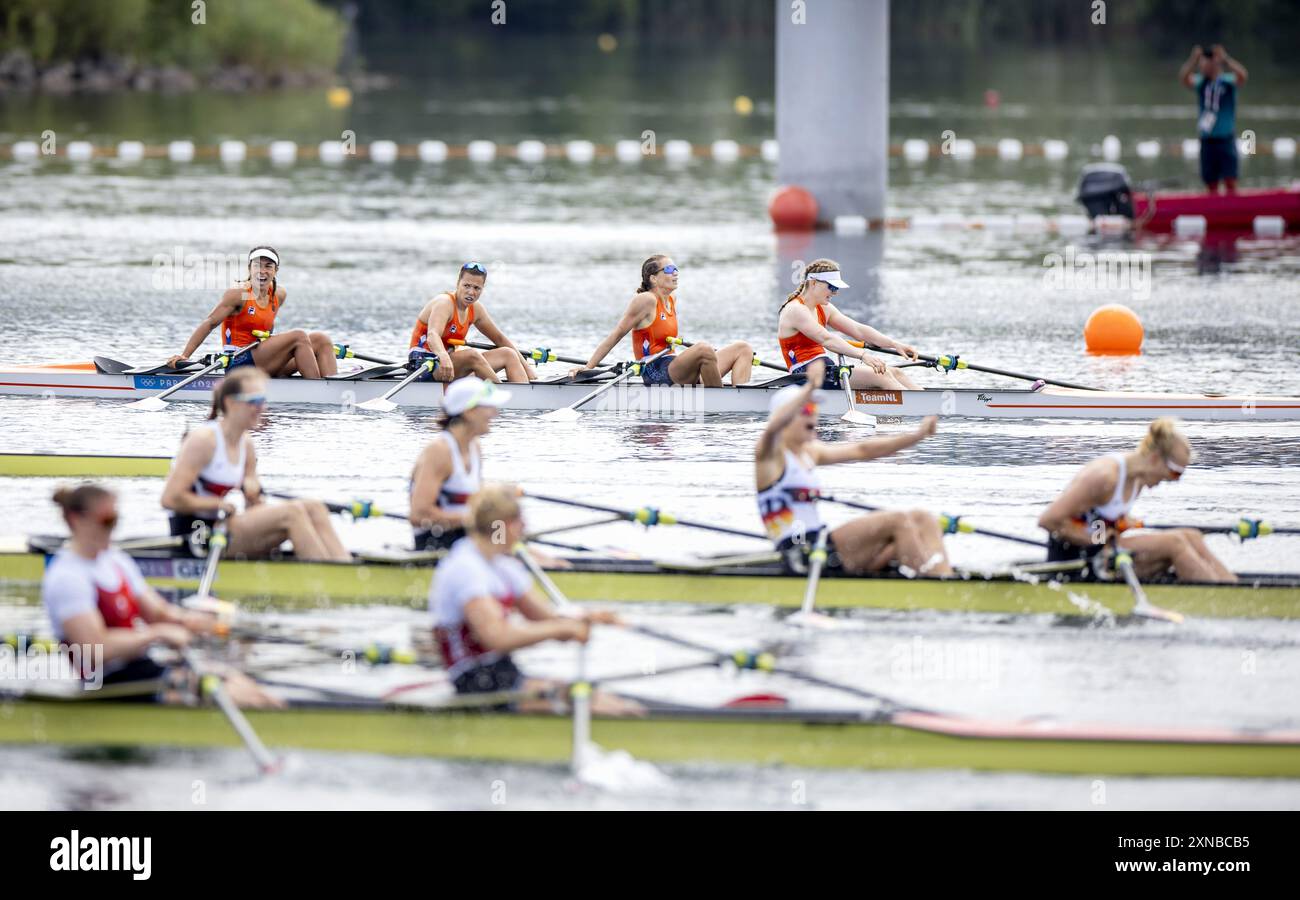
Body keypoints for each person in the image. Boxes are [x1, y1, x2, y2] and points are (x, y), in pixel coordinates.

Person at [41, 483, 277, 705]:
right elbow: (94, 649)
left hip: (140, 667)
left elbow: (158, 612)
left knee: (247, 687)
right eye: (106, 520)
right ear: (76, 520)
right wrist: (156, 635)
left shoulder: (115, 560)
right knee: (240, 696)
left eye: (115, 520)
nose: (112, 529)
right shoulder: (67, 577)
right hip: (108, 684)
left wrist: (192, 620)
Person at [429, 484, 641, 714]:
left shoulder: (503, 566)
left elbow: (547, 615)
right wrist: (560, 630)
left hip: (503, 673)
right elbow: (497, 637)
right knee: (590, 703)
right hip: (473, 683)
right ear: (503, 526)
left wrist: (592, 616)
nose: (524, 530)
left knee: (606, 700)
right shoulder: (466, 568)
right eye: (519, 523)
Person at [755, 359, 952, 576]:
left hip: (822, 545)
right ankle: (934, 588)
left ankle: (944, 578)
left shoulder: (810, 453)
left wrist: (917, 436)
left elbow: (863, 451)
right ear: (786, 418)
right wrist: (811, 386)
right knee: (898, 521)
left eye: (814, 408)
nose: (813, 414)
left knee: (923, 518)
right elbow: (773, 426)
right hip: (799, 554)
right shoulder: (769, 455)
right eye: (806, 409)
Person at [161, 367, 350, 562]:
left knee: (314, 507)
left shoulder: (247, 444)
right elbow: (170, 499)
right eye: (254, 402)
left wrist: (254, 497)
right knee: (292, 512)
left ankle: (344, 569)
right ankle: (322, 579)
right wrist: (218, 504)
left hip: (227, 528)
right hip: (197, 536)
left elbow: (254, 506)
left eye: (263, 400)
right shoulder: (203, 440)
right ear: (230, 403)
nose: (262, 408)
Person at [1038, 418, 1236, 583]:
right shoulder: (1104, 476)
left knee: (1191, 536)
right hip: (1077, 562)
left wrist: (1121, 523)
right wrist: (1095, 540)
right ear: (1155, 459)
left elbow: (1097, 518)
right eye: (1174, 473)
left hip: (1105, 551)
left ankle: (1231, 589)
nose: (1171, 481)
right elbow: (1048, 520)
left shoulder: (1138, 480)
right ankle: (1216, 600)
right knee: (1175, 543)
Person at [570, 255, 754, 387]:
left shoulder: (672, 300)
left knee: (743, 348)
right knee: (704, 349)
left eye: (676, 269)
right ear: (653, 278)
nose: (675, 273)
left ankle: (741, 396)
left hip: (675, 365)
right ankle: (718, 400)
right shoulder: (646, 300)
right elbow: (616, 335)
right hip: (656, 371)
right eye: (668, 269)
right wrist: (588, 368)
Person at [168, 247, 339, 378]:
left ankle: (333, 385)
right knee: (299, 336)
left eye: (268, 266)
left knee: (322, 340)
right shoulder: (239, 294)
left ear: (275, 270)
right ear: (250, 269)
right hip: (237, 361)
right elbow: (210, 323)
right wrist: (185, 355)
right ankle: (317, 388)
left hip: (264, 359)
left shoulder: (279, 294)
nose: (262, 271)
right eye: (257, 265)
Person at [778, 259, 922, 391]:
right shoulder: (795, 309)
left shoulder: (824, 308)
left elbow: (859, 330)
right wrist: (863, 355)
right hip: (804, 375)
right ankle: (919, 411)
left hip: (826, 369)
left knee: (896, 372)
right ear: (814, 282)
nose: (835, 293)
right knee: (881, 375)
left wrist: (893, 343)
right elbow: (827, 339)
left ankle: (926, 404)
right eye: (832, 287)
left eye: (837, 289)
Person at [409, 377, 508, 551]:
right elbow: (419, 515)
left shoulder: (474, 447)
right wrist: (476, 519)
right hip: (436, 546)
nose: (495, 413)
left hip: (466, 541)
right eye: (488, 407)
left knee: (513, 534)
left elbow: (475, 505)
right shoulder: (439, 451)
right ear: (469, 411)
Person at [408, 262, 536, 384]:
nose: (471, 292)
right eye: (466, 286)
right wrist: (443, 355)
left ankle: (524, 392)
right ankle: (502, 395)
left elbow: (500, 339)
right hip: (423, 365)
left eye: (476, 288)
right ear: (458, 283)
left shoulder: (476, 309)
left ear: (482, 289)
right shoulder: (444, 303)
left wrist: (529, 370)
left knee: (508, 353)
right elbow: (433, 335)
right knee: (471, 355)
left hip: (448, 364)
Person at [1179, 44, 1248, 194]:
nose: (1204, 65)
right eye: (1203, 62)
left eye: (1207, 62)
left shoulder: (1227, 81)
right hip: (1207, 141)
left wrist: (1225, 59)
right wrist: (1193, 59)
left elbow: (1243, 76)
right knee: (1211, 184)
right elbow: (1184, 78)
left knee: (1230, 182)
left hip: (1225, 140)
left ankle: (1233, 211)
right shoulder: (1201, 83)